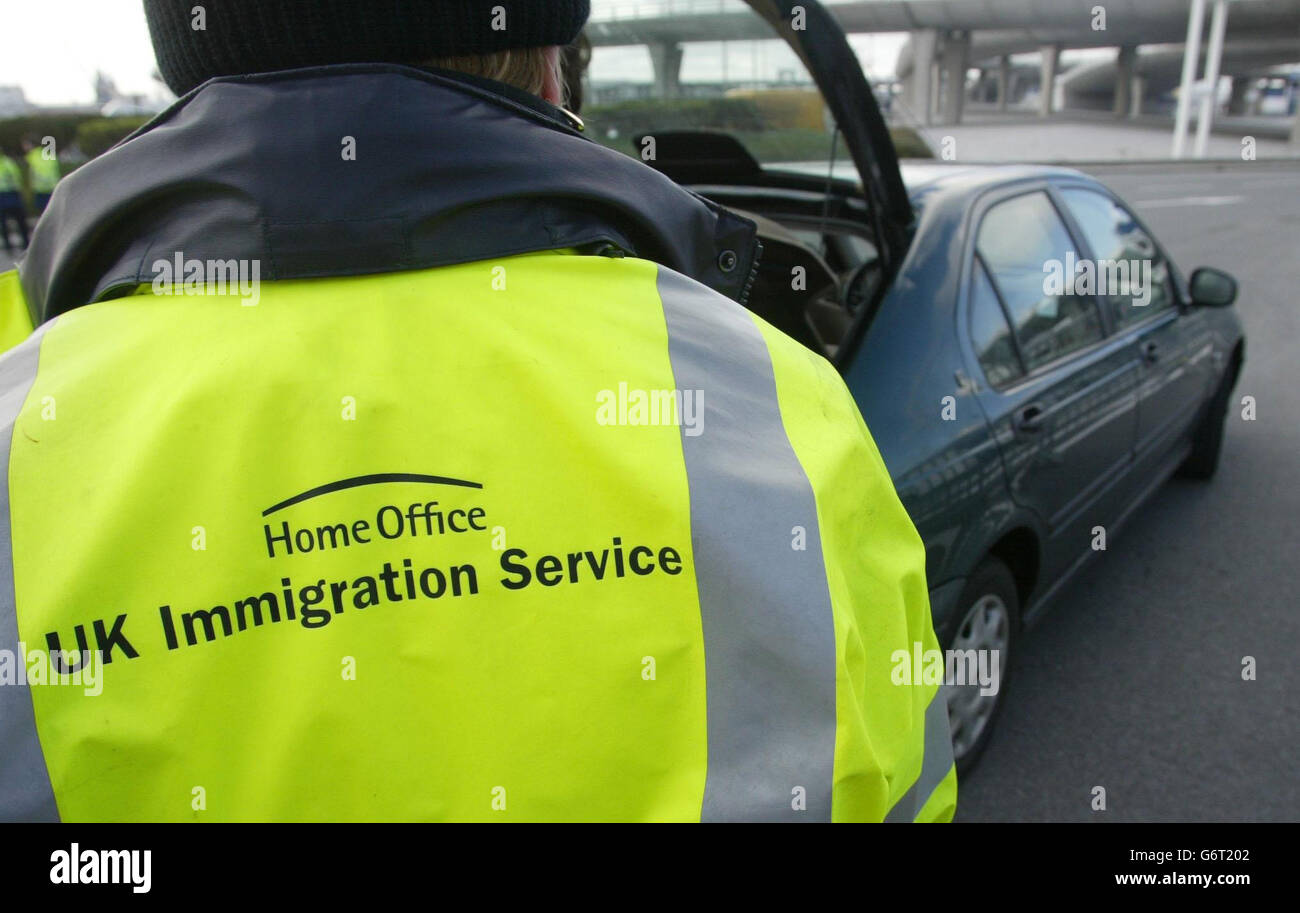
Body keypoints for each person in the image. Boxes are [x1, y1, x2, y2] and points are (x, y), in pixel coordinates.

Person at [0, 0, 954, 822]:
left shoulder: (18, 447)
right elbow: (904, 786)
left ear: (186, 90)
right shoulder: (777, 405)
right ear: (549, 76)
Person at [22, 138, 61, 215]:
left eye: (25, 145)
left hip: (40, 189)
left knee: (43, 213)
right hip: (54, 187)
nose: (24, 147)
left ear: (30, 145)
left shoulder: (32, 156)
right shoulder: (49, 154)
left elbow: (32, 173)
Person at [0, 151, 28, 254]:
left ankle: (9, 246)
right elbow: (17, 177)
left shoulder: (8, 163)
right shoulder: (9, 162)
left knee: (5, 223)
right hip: (12, 194)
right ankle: (25, 244)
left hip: (6, 195)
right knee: (19, 221)